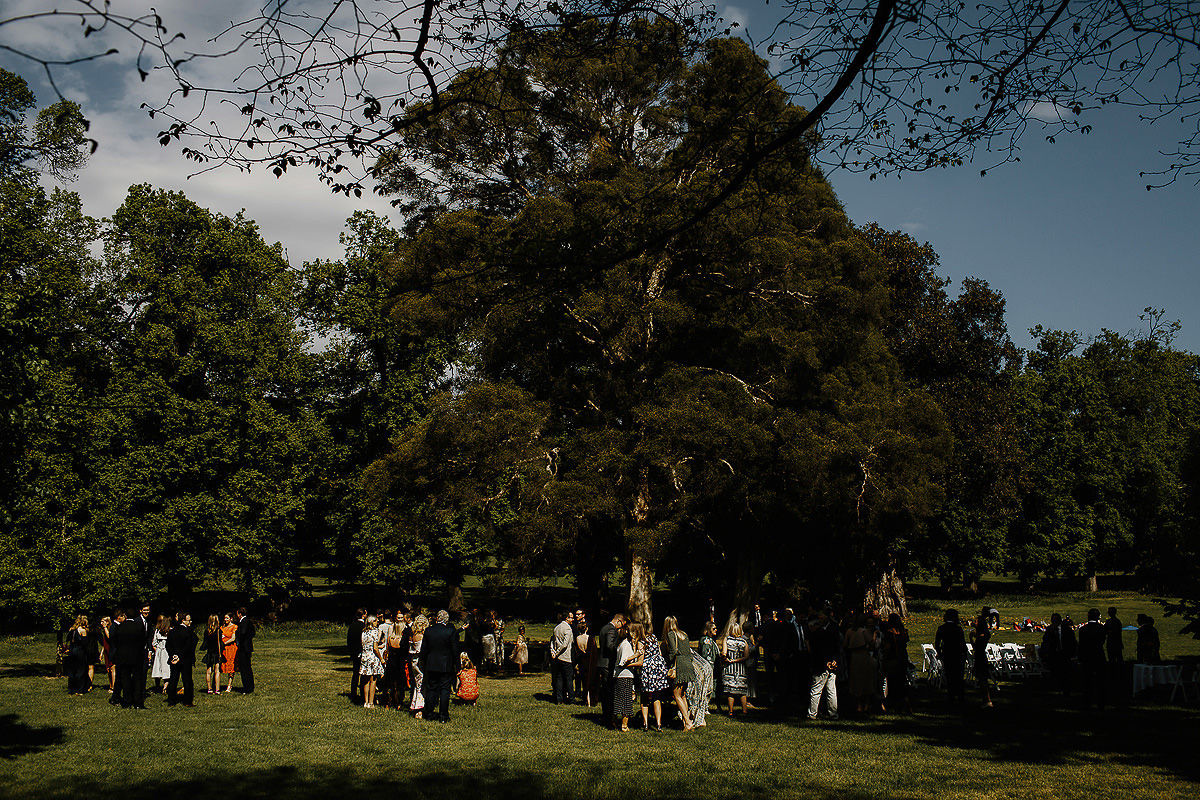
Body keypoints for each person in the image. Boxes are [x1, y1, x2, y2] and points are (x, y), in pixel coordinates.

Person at [419, 609, 461, 723]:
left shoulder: (429, 631)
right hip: (446, 665)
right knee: (445, 690)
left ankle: (429, 713)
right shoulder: (450, 631)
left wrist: (421, 662)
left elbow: (424, 649)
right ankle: (443, 715)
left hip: (431, 664)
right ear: (446, 620)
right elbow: (455, 650)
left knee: (431, 689)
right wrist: (458, 666)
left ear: (437, 618)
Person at [661, 616, 694, 731]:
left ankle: (688, 722)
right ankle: (686, 722)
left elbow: (673, 652)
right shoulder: (683, 634)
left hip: (678, 665)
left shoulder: (671, 634)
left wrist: (667, 660)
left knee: (676, 694)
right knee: (683, 694)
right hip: (688, 665)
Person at [807, 608, 840, 720]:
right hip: (831, 663)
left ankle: (812, 713)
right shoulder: (831, 631)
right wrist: (834, 660)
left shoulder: (818, 635)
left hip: (821, 665)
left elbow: (817, 651)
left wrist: (828, 662)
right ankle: (833, 714)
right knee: (831, 690)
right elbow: (835, 648)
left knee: (816, 690)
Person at [110, 608, 146, 709]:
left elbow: (115, 641)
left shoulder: (120, 627)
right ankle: (138, 702)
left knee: (125, 679)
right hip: (137, 656)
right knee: (137, 679)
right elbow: (143, 640)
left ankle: (127, 701)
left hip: (123, 657)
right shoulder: (139, 626)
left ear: (126, 615)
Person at [843, 613, 877, 714]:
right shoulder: (864, 631)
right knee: (865, 681)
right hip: (863, 656)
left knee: (856, 681)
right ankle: (865, 705)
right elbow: (871, 644)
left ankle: (858, 704)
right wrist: (874, 635)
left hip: (854, 657)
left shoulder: (849, 631)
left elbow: (845, 644)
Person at [595, 613, 624, 725]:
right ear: (618, 621)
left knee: (606, 691)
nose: (620, 628)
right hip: (608, 664)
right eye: (621, 625)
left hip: (602, 663)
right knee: (610, 691)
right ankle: (610, 717)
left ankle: (606, 715)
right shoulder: (612, 630)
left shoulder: (604, 628)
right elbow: (609, 645)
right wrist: (619, 652)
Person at [639, 625, 669, 730]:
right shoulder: (654, 638)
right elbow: (659, 652)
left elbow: (641, 656)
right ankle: (658, 724)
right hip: (658, 666)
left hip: (647, 668)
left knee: (644, 698)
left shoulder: (641, 641)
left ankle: (645, 723)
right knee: (657, 697)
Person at [613, 624, 643, 732]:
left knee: (620, 701)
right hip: (625, 675)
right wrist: (637, 655)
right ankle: (624, 725)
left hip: (621, 676)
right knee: (626, 701)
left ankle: (616, 722)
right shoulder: (625, 645)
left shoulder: (622, 644)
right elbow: (623, 662)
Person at [935, 609, 967, 706]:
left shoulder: (941, 628)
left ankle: (951, 697)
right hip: (958, 655)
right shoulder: (958, 629)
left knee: (949, 676)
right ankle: (960, 696)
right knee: (959, 676)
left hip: (947, 654)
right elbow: (963, 644)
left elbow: (937, 643)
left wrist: (940, 653)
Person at [880, 613, 911, 714]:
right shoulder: (903, 632)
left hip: (893, 660)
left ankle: (892, 705)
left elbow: (887, 648)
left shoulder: (889, 634)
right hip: (902, 659)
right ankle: (902, 705)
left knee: (892, 683)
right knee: (901, 683)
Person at [1077, 607, 1107, 710]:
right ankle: (1101, 701)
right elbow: (1103, 641)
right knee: (1100, 680)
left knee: (1087, 680)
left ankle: (1087, 700)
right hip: (1098, 655)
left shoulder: (1083, 629)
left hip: (1087, 656)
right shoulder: (1101, 628)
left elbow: (1081, 645)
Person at [1040, 612, 1076, 696]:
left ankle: (1066, 691)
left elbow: (1072, 642)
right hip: (1054, 655)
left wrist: (1072, 653)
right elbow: (1045, 642)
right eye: (1053, 621)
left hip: (1065, 654)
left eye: (1056, 620)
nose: (1054, 622)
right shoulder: (1049, 630)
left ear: (1060, 621)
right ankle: (1056, 689)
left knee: (1066, 674)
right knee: (1055, 673)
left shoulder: (1067, 630)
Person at [165, 612, 197, 706]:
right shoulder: (188, 632)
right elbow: (188, 647)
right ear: (183, 620)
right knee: (187, 680)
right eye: (189, 620)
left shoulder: (172, 631)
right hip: (185, 659)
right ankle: (187, 701)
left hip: (174, 659)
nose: (190, 621)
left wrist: (173, 656)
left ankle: (171, 700)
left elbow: (168, 645)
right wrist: (180, 656)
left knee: (173, 679)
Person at [722, 621, 751, 718]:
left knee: (731, 691)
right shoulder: (744, 642)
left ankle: (730, 711)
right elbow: (746, 656)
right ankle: (744, 710)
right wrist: (737, 660)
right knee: (742, 691)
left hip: (730, 668)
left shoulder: (727, 640)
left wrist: (727, 659)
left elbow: (724, 653)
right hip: (741, 669)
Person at [685, 642, 715, 728]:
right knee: (700, 696)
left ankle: (695, 718)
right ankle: (699, 718)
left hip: (699, 672)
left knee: (695, 695)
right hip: (703, 669)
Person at [382, 614, 408, 708]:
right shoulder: (401, 639)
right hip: (399, 662)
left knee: (390, 682)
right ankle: (398, 702)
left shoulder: (391, 638)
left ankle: (388, 702)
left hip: (392, 661)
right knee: (398, 682)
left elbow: (388, 647)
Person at [550, 609, 574, 705]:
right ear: (567, 618)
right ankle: (571, 699)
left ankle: (559, 699)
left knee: (559, 678)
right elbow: (565, 644)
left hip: (557, 658)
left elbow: (553, 641)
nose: (572, 619)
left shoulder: (556, 628)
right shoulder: (567, 628)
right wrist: (557, 652)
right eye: (571, 618)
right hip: (565, 657)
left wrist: (554, 652)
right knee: (568, 679)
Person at [359, 615, 384, 708]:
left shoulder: (364, 632)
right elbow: (375, 648)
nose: (377, 622)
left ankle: (365, 702)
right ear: (372, 622)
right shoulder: (375, 631)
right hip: (372, 657)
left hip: (365, 656)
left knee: (365, 680)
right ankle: (371, 702)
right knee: (373, 680)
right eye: (376, 621)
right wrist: (381, 658)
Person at [972, 609, 993, 708]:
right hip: (980, 657)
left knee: (983, 680)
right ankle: (986, 700)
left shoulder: (982, 636)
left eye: (975, 621)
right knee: (981, 680)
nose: (974, 623)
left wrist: (971, 639)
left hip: (980, 658)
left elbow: (977, 648)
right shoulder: (983, 634)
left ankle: (987, 700)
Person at [64, 615, 91, 695]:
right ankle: (80, 689)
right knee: (81, 670)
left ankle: (72, 689)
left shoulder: (72, 630)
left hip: (72, 651)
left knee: (72, 670)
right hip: (80, 651)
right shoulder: (83, 631)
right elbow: (85, 643)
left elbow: (67, 640)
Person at [409, 614, 428, 718]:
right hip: (421, 661)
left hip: (414, 660)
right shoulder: (422, 636)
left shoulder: (413, 635)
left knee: (417, 684)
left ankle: (417, 705)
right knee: (421, 685)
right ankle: (419, 708)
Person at [347, 608, 366, 703]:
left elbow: (349, 640)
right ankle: (363, 693)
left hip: (354, 653)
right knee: (363, 674)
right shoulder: (364, 626)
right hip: (361, 653)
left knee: (355, 674)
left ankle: (353, 692)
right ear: (363, 615)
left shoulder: (352, 625)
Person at [234, 607, 256, 693]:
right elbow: (253, 632)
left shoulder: (243, 622)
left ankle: (247, 688)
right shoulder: (249, 621)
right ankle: (250, 686)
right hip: (248, 647)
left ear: (240, 614)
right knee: (248, 668)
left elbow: (242, 632)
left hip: (243, 648)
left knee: (244, 669)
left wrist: (238, 636)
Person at [200, 615, 222, 694]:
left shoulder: (207, 631)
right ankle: (217, 689)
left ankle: (209, 689)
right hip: (216, 652)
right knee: (217, 671)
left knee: (209, 671)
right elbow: (220, 643)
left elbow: (205, 643)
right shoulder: (218, 631)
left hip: (209, 652)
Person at [219, 613, 238, 693]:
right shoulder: (222, 627)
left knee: (231, 666)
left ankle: (229, 685)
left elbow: (233, 638)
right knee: (221, 666)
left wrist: (225, 643)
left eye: (227, 618)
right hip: (223, 649)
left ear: (231, 618)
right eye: (225, 618)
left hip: (231, 648)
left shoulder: (234, 627)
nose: (225, 620)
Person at [98, 615, 116, 693]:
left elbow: (109, 637)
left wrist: (105, 628)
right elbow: (105, 642)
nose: (101, 623)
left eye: (103, 621)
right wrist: (101, 653)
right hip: (106, 651)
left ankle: (114, 687)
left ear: (107, 622)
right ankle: (110, 685)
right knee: (108, 669)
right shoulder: (103, 630)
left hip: (112, 651)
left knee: (112, 669)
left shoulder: (111, 629)